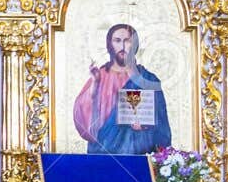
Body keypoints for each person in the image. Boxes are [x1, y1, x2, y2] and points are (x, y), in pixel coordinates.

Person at [73, 23, 171, 155]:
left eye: (127, 41)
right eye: (117, 41)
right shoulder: (99, 76)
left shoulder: (148, 79)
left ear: (134, 45)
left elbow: (161, 125)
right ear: (110, 45)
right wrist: (95, 86)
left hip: (139, 154)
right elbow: (86, 122)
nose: (123, 46)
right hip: (104, 155)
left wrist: (146, 126)